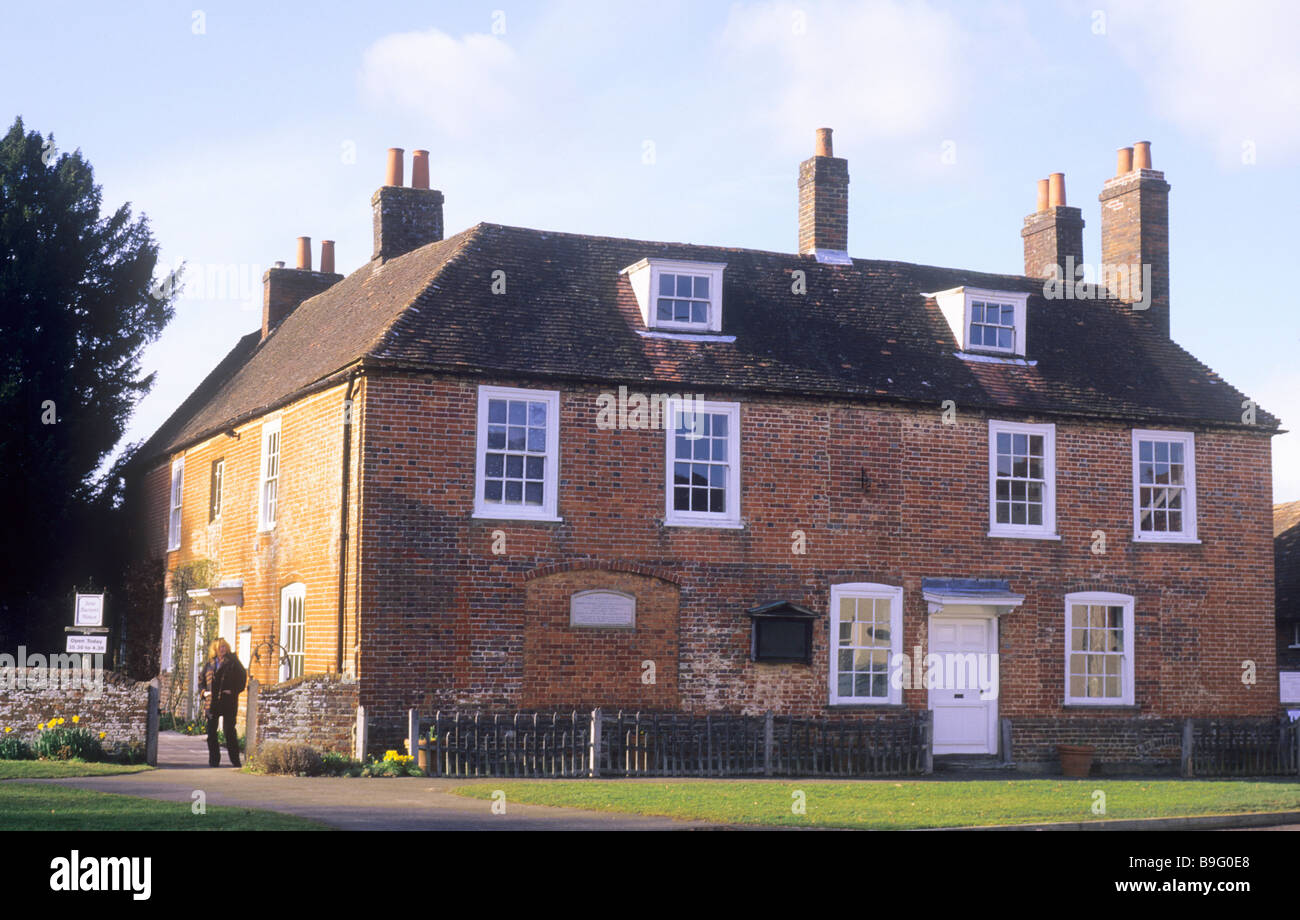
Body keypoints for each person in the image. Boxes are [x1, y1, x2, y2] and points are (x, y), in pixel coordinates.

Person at [205, 638, 247, 767]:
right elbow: (202, 679)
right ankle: (214, 761)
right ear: (215, 649)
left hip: (228, 701)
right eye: (219, 647)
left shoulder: (233, 661)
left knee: (229, 731)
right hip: (212, 702)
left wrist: (233, 691)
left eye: (224, 647)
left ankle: (235, 761)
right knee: (211, 732)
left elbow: (242, 678)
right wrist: (204, 692)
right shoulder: (210, 663)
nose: (222, 649)